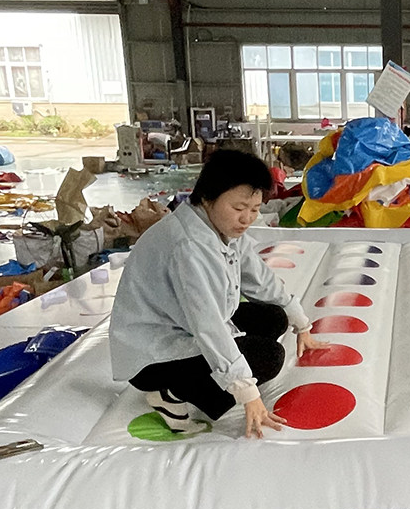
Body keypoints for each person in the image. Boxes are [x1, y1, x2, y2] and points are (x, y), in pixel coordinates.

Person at [109, 149, 321, 438]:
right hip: (151, 356)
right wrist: (248, 393)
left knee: (274, 317)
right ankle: (170, 394)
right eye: (239, 208)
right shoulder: (190, 246)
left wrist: (302, 324)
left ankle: (203, 381)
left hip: (180, 326)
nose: (247, 218)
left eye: (254, 209)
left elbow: (260, 279)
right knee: (268, 357)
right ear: (208, 198)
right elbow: (207, 324)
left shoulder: (220, 227)